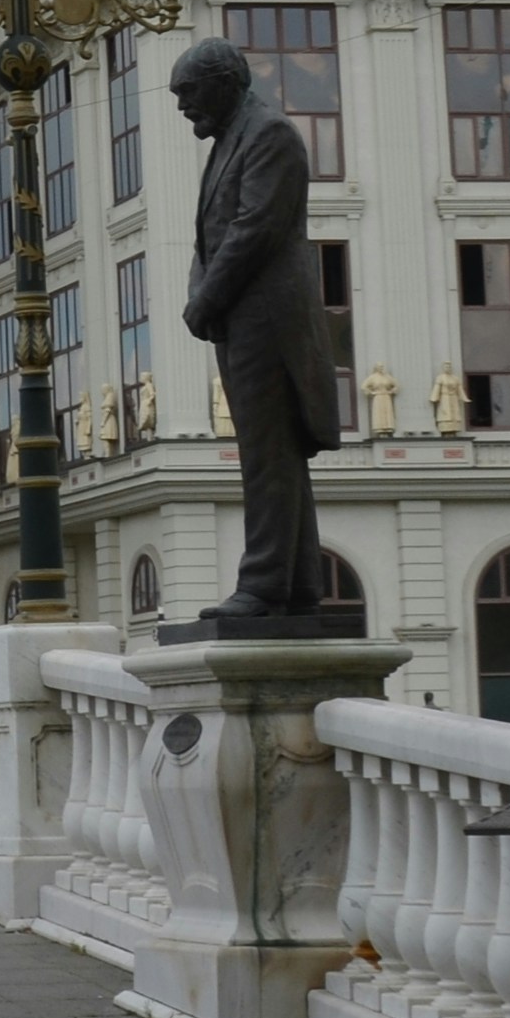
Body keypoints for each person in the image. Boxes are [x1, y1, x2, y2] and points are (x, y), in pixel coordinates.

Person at [173, 38, 343, 624]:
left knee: (268, 454)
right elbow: (210, 236)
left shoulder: (269, 134)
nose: (182, 107)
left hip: (266, 317)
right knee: (273, 453)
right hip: (243, 316)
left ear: (223, 81)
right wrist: (202, 293)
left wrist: (207, 297)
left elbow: (253, 229)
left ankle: (266, 585)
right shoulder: (232, 140)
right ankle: (295, 584)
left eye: (188, 93)